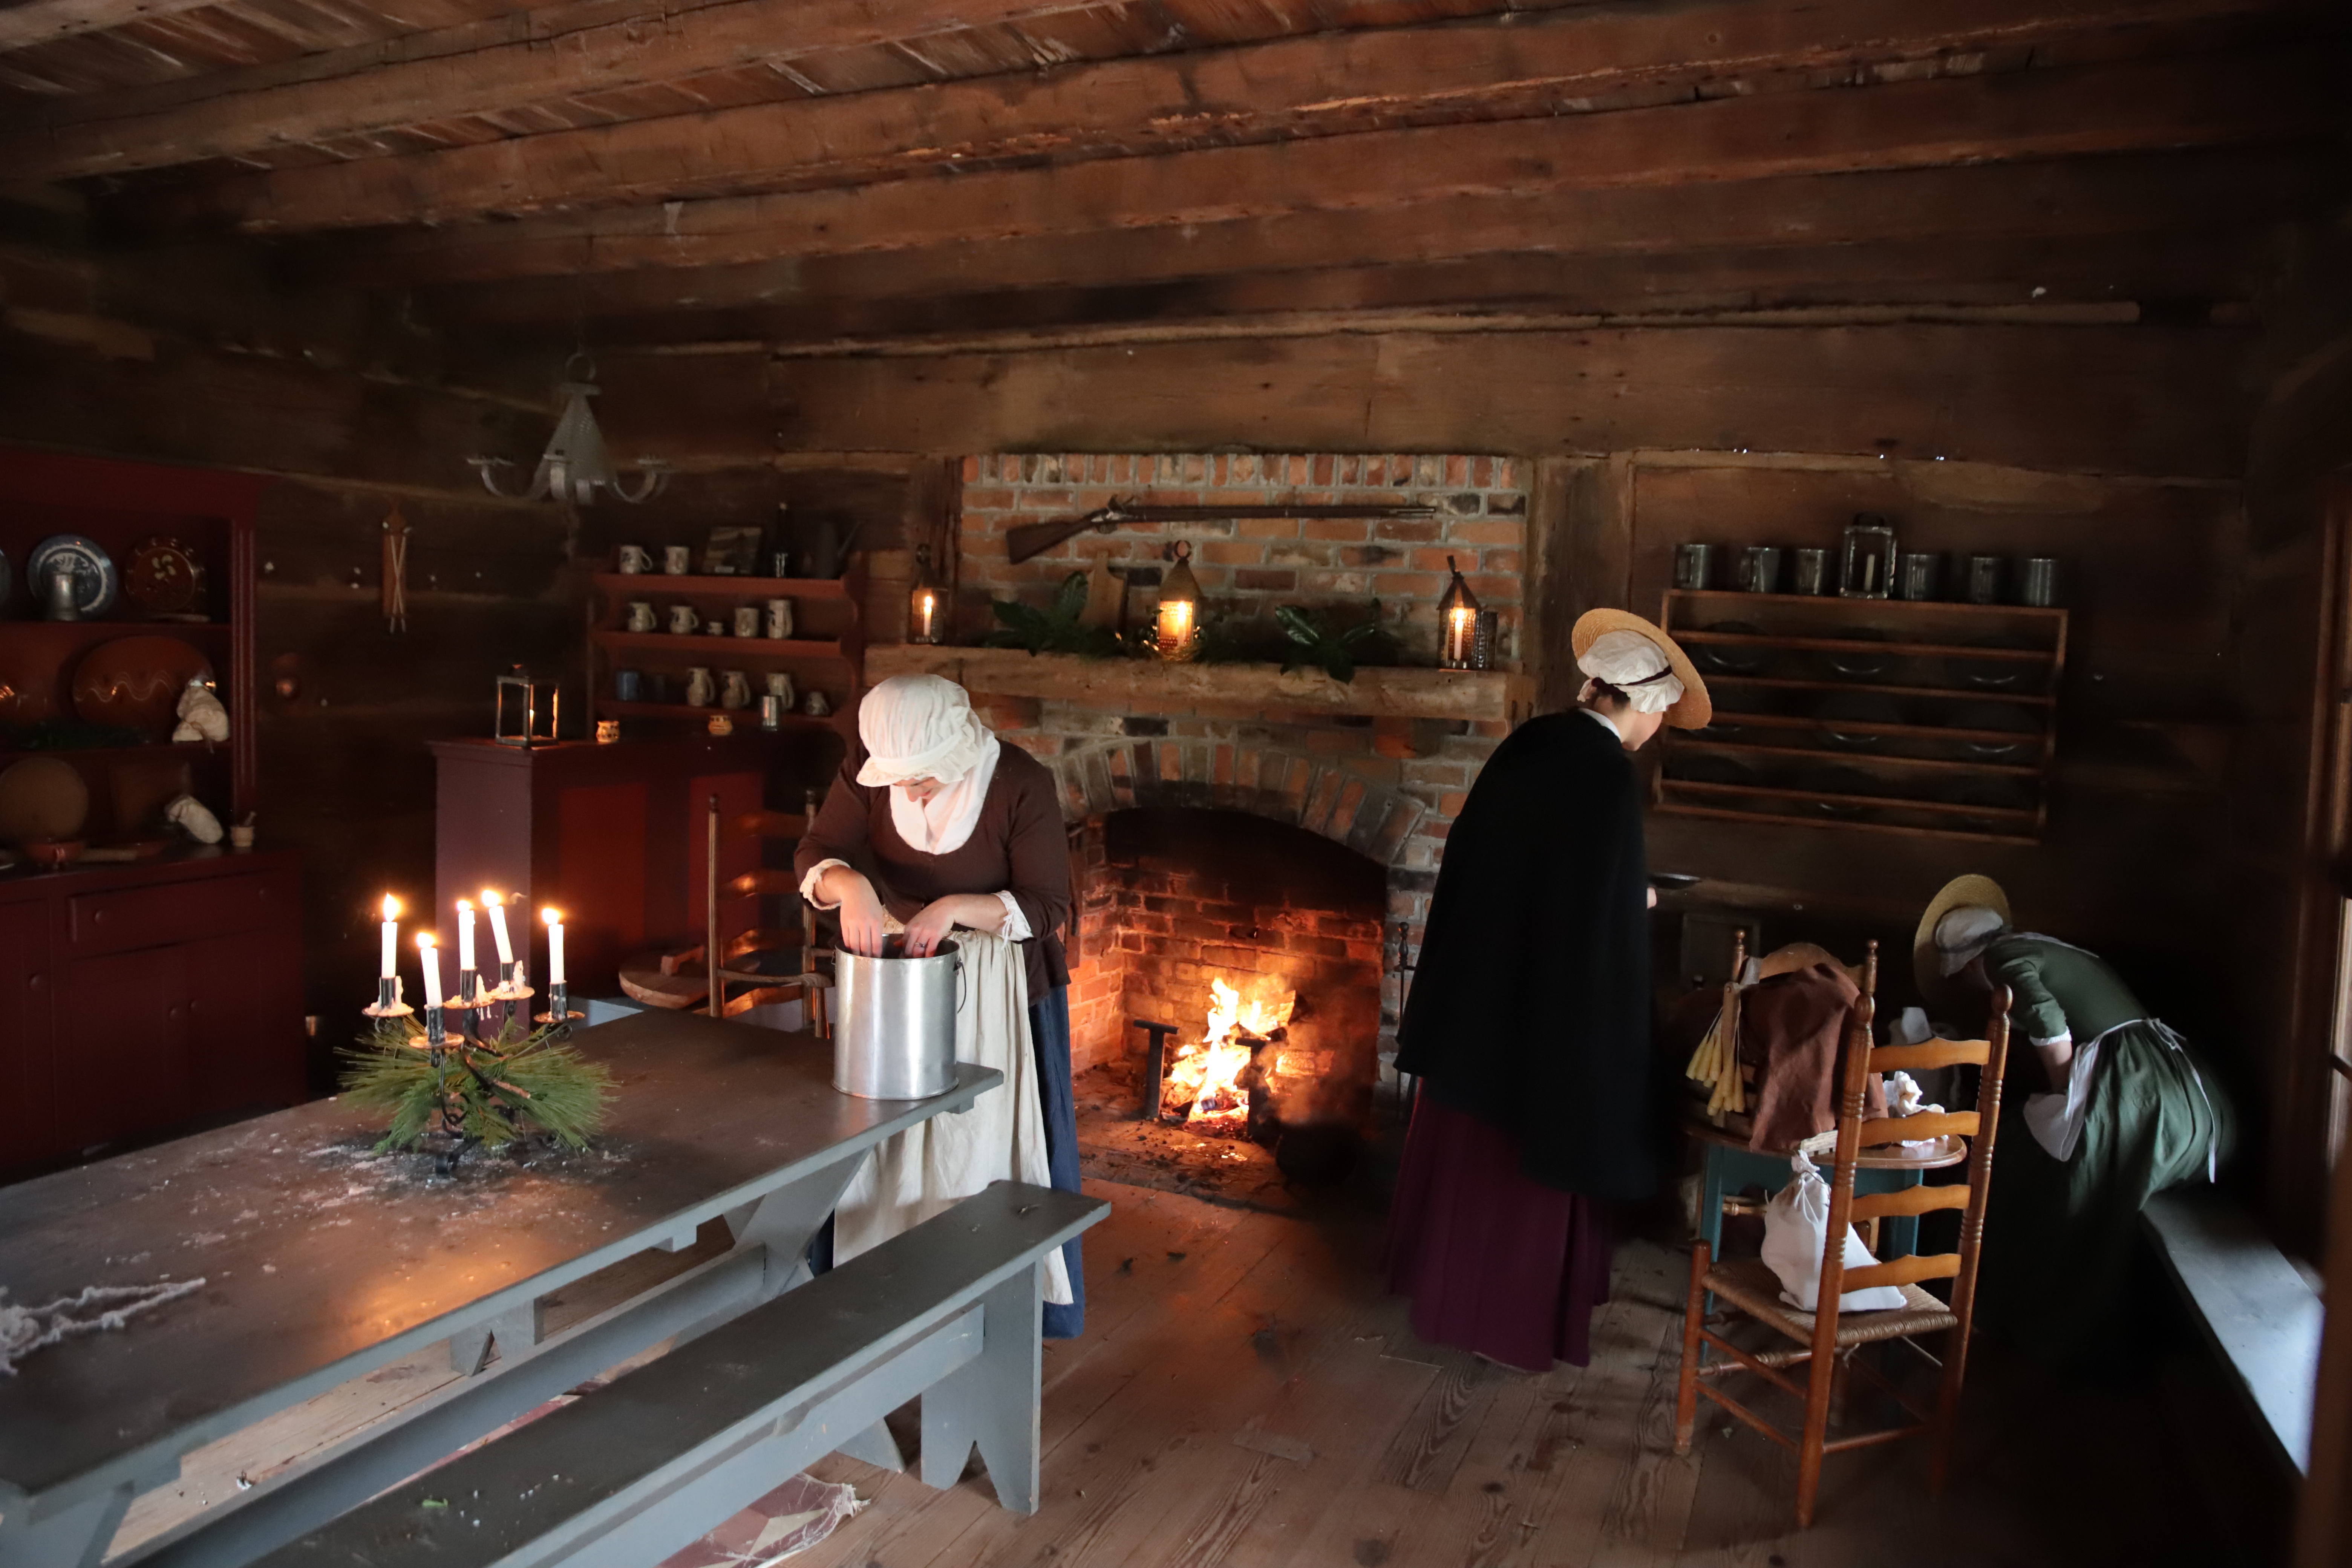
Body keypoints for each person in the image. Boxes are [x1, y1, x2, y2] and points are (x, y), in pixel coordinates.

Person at [1386, 608, 1710, 1370]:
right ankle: (1510, 1317)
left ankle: (1451, 1294)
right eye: (1662, 713)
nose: (1658, 726)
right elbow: (1590, 903)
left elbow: (1505, 864)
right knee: (1528, 1159)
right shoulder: (1603, 776)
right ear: (1645, 703)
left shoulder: (1528, 744)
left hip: (1482, 991)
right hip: (1548, 1011)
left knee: (1474, 1146)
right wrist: (1635, 903)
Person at [795, 674, 1085, 1338]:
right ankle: (879, 1286)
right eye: (898, 776)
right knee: (884, 1142)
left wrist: (955, 908)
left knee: (978, 1147)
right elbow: (817, 854)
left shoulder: (1019, 782)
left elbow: (1048, 907)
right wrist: (854, 890)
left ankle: (981, 1302)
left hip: (998, 989)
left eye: (923, 775)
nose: (910, 788)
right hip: (899, 982)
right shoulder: (868, 773)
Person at [1915, 874, 2231, 1362]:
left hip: (2133, 1081)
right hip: (2172, 1076)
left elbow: (2046, 1017)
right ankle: (1993, 1304)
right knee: (2028, 1146)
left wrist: (2065, 1089)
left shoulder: (2003, 959)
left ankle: (1997, 1308)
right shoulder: (2044, 945)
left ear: (1972, 962)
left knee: (2013, 1159)